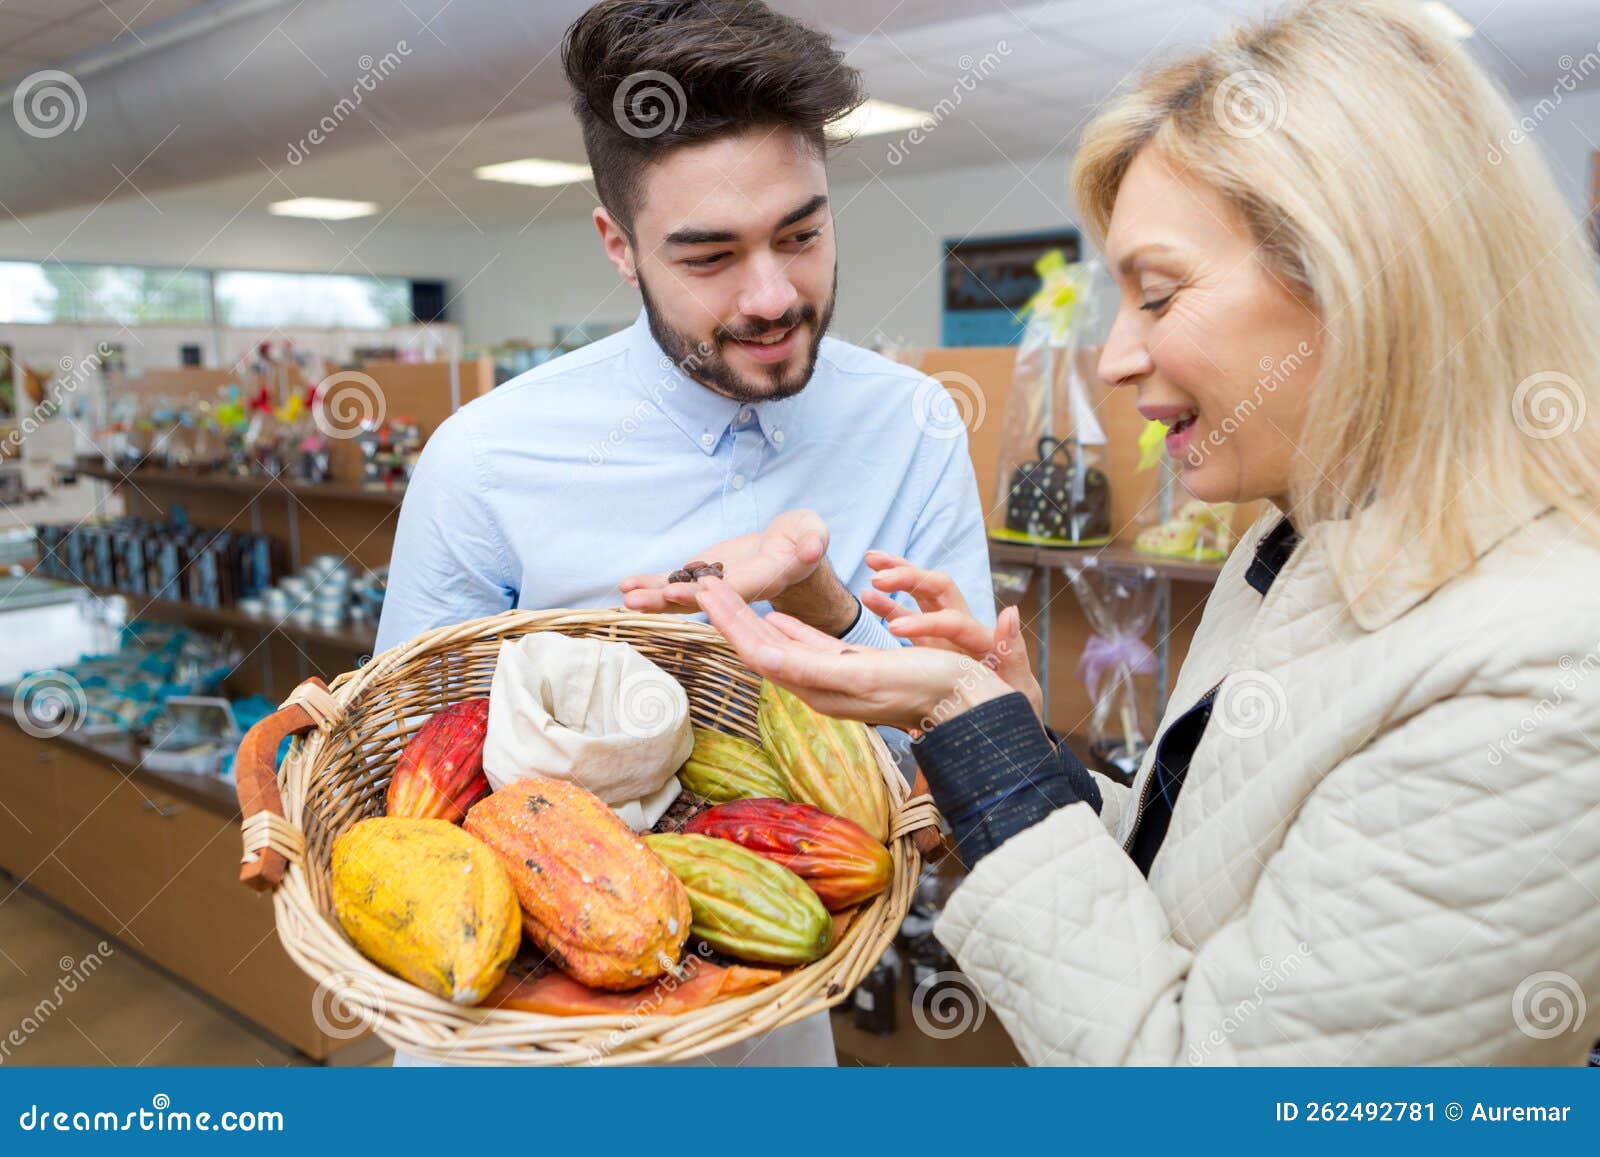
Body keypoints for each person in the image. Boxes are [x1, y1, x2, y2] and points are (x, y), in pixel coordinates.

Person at [696, 0, 1600, 1065]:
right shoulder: (1296, 547)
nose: (1117, 357)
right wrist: (1019, 749)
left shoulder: (1540, 672)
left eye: (1158, 296)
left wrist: (967, 728)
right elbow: (1194, 888)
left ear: (1361, 279)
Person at [374, 0, 994, 1066]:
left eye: (801, 234)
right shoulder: (485, 457)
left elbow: (954, 763)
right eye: (709, 256)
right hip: (511, 1052)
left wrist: (825, 609)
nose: (772, 296)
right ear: (618, 246)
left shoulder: (911, 424)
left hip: (770, 1032)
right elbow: (409, 784)